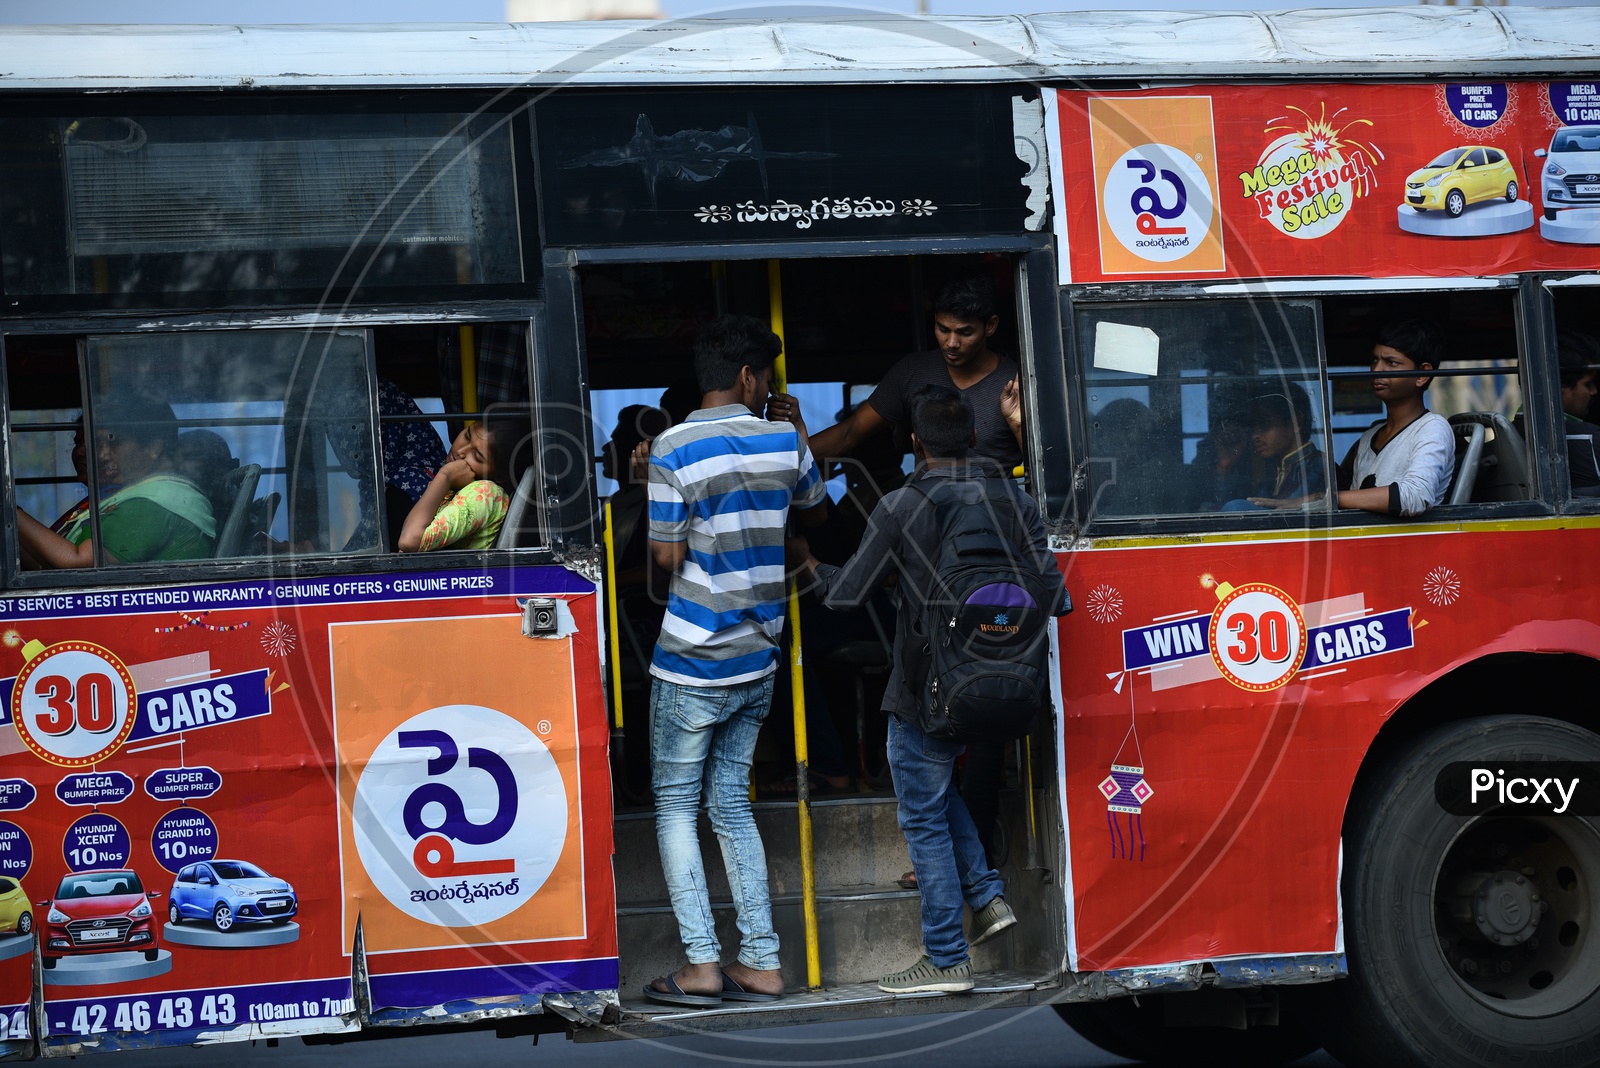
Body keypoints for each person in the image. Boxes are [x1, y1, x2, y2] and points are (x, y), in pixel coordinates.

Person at [795, 387, 1069, 995]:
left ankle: (945, 959)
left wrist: (807, 563)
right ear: (973, 437)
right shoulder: (1018, 502)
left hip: (926, 690)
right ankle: (987, 895)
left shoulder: (902, 503)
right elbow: (1059, 598)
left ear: (915, 444)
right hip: (1012, 684)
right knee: (932, 788)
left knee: (920, 812)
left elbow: (845, 595)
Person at [642, 315, 828, 1007]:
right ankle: (763, 962)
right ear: (749, 377)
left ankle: (700, 966)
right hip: (759, 655)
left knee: (674, 809)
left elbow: (663, 557)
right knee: (731, 806)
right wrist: (797, 430)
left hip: (693, 656)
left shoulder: (671, 447)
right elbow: (813, 507)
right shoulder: (784, 438)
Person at [770, 276, 1024, 471]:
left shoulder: (1017, 382)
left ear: (990, 326)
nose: (951, 343)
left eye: (965, 332)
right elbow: (851, 432)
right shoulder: (913, 371)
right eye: (943, 329)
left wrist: (1018, 425)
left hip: (996, 524)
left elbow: (1049, 465)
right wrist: (777, 462)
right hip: (927, 524)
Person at [18, 395, 215, 567]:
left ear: (154, 448)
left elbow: (79, 564)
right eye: (79, 442)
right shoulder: (121, 498)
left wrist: (11, 514)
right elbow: (45, 564)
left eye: (111, 441)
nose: (81, 452)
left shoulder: (157, 500)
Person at [1334, 319, 1455, 517]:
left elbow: (1416, 496)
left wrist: (1330, 499)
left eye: (1391, 363)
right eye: (1374, 360)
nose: (1376, 370)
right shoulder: (1370, 435)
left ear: (1422, 375)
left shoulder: (1432, 428)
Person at [397, 409, 527, 552]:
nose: (460, 451)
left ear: (501, 475)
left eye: (477, 456)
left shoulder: (485, 492)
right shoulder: (459, 486)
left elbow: (409, 541)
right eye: (467, 435)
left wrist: (445, 475)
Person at [1515, 330, 1600, 497]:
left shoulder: (1510, 434)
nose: (1594, 391)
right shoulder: (1591, 440)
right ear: (1558, 386)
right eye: (1588, 384)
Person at [1227, 388, 1327, 510]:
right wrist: (1224, 466)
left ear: (1296, 423)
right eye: (1252, 428)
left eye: (1264, 424)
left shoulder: (1319, 467)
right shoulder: (1272, 471)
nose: (1254, 436)